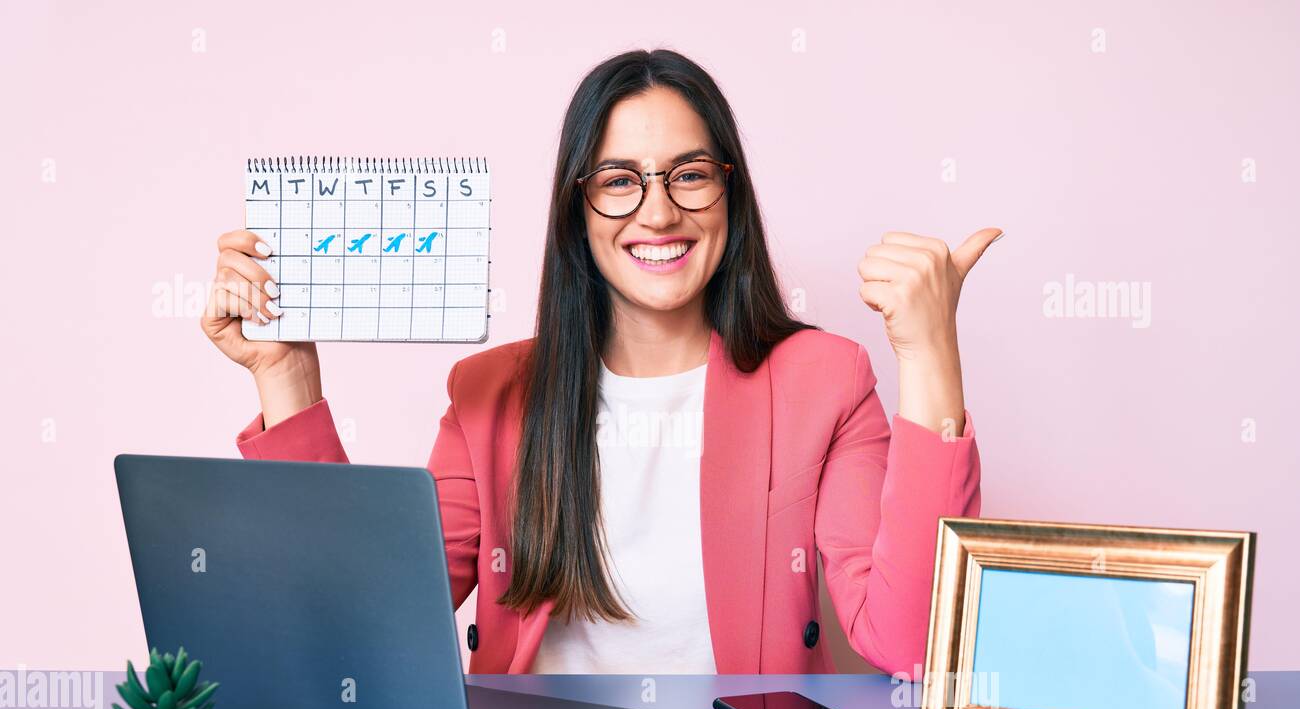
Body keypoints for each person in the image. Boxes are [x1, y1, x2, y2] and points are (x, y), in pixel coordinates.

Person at [200, 48, 994, 676]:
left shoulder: (826, 378)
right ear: (577, 214)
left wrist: (931, 357)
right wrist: (286, 379)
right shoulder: (489, 394)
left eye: (689, 175)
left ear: (730, 195)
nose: (658, 211)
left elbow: (910, 644)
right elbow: (361, 622)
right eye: (619, 181)